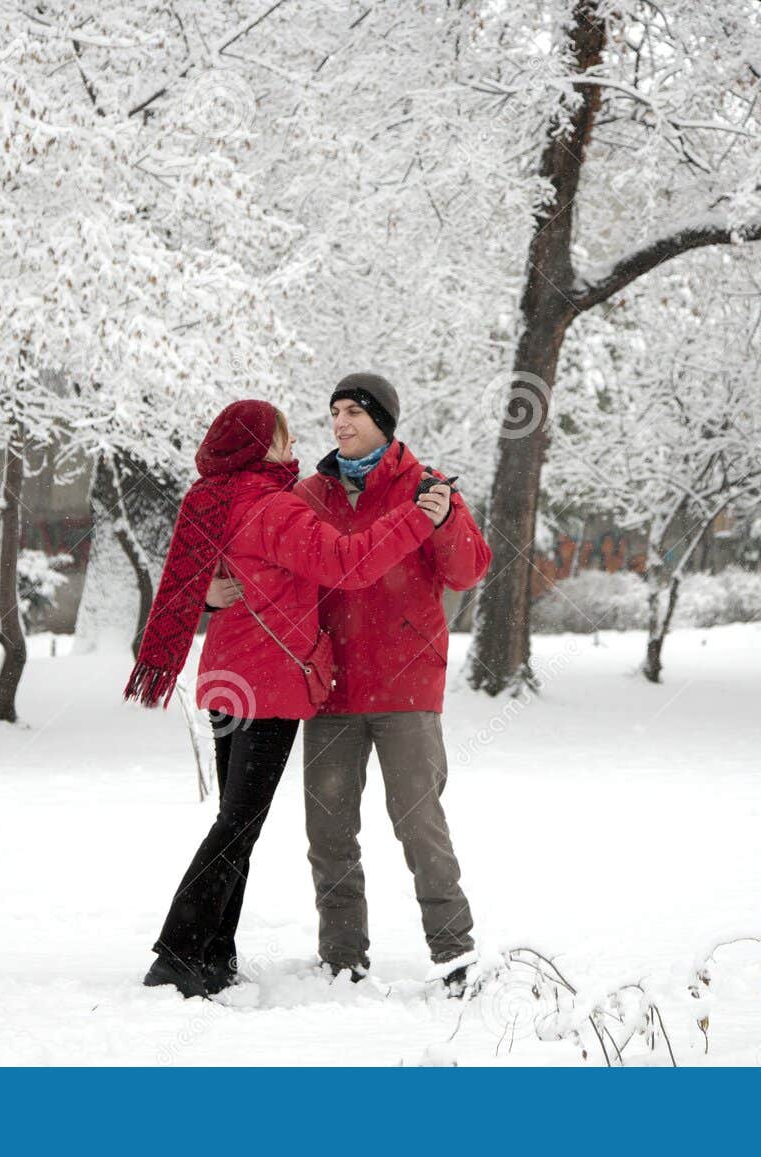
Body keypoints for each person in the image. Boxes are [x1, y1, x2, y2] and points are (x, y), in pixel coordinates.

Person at [125, 398, 449, 999]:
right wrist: (413, 521)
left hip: (225, 678)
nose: (293, 442)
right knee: (238, 824)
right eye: (281, 435)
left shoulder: (214, 496)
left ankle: (215, 955)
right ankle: (178, 954)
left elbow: (202, 576)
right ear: (256, 444)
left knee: (235, 821)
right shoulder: (273, 508)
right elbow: (348, 564)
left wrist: (211, 598)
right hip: (267, 685)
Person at [207, 373, 490, 994]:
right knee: (329, 831)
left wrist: (441, 522)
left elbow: (469, 571)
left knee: (419, 824)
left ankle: (454, 954)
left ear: (384, 420)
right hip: (330, 688)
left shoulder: (426, 487)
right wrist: (204, 591)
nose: (340, 423)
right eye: (333, 412)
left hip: (406, 687)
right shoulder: (309, 494)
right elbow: (242, 546)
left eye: (353, 411)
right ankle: (341, 957)